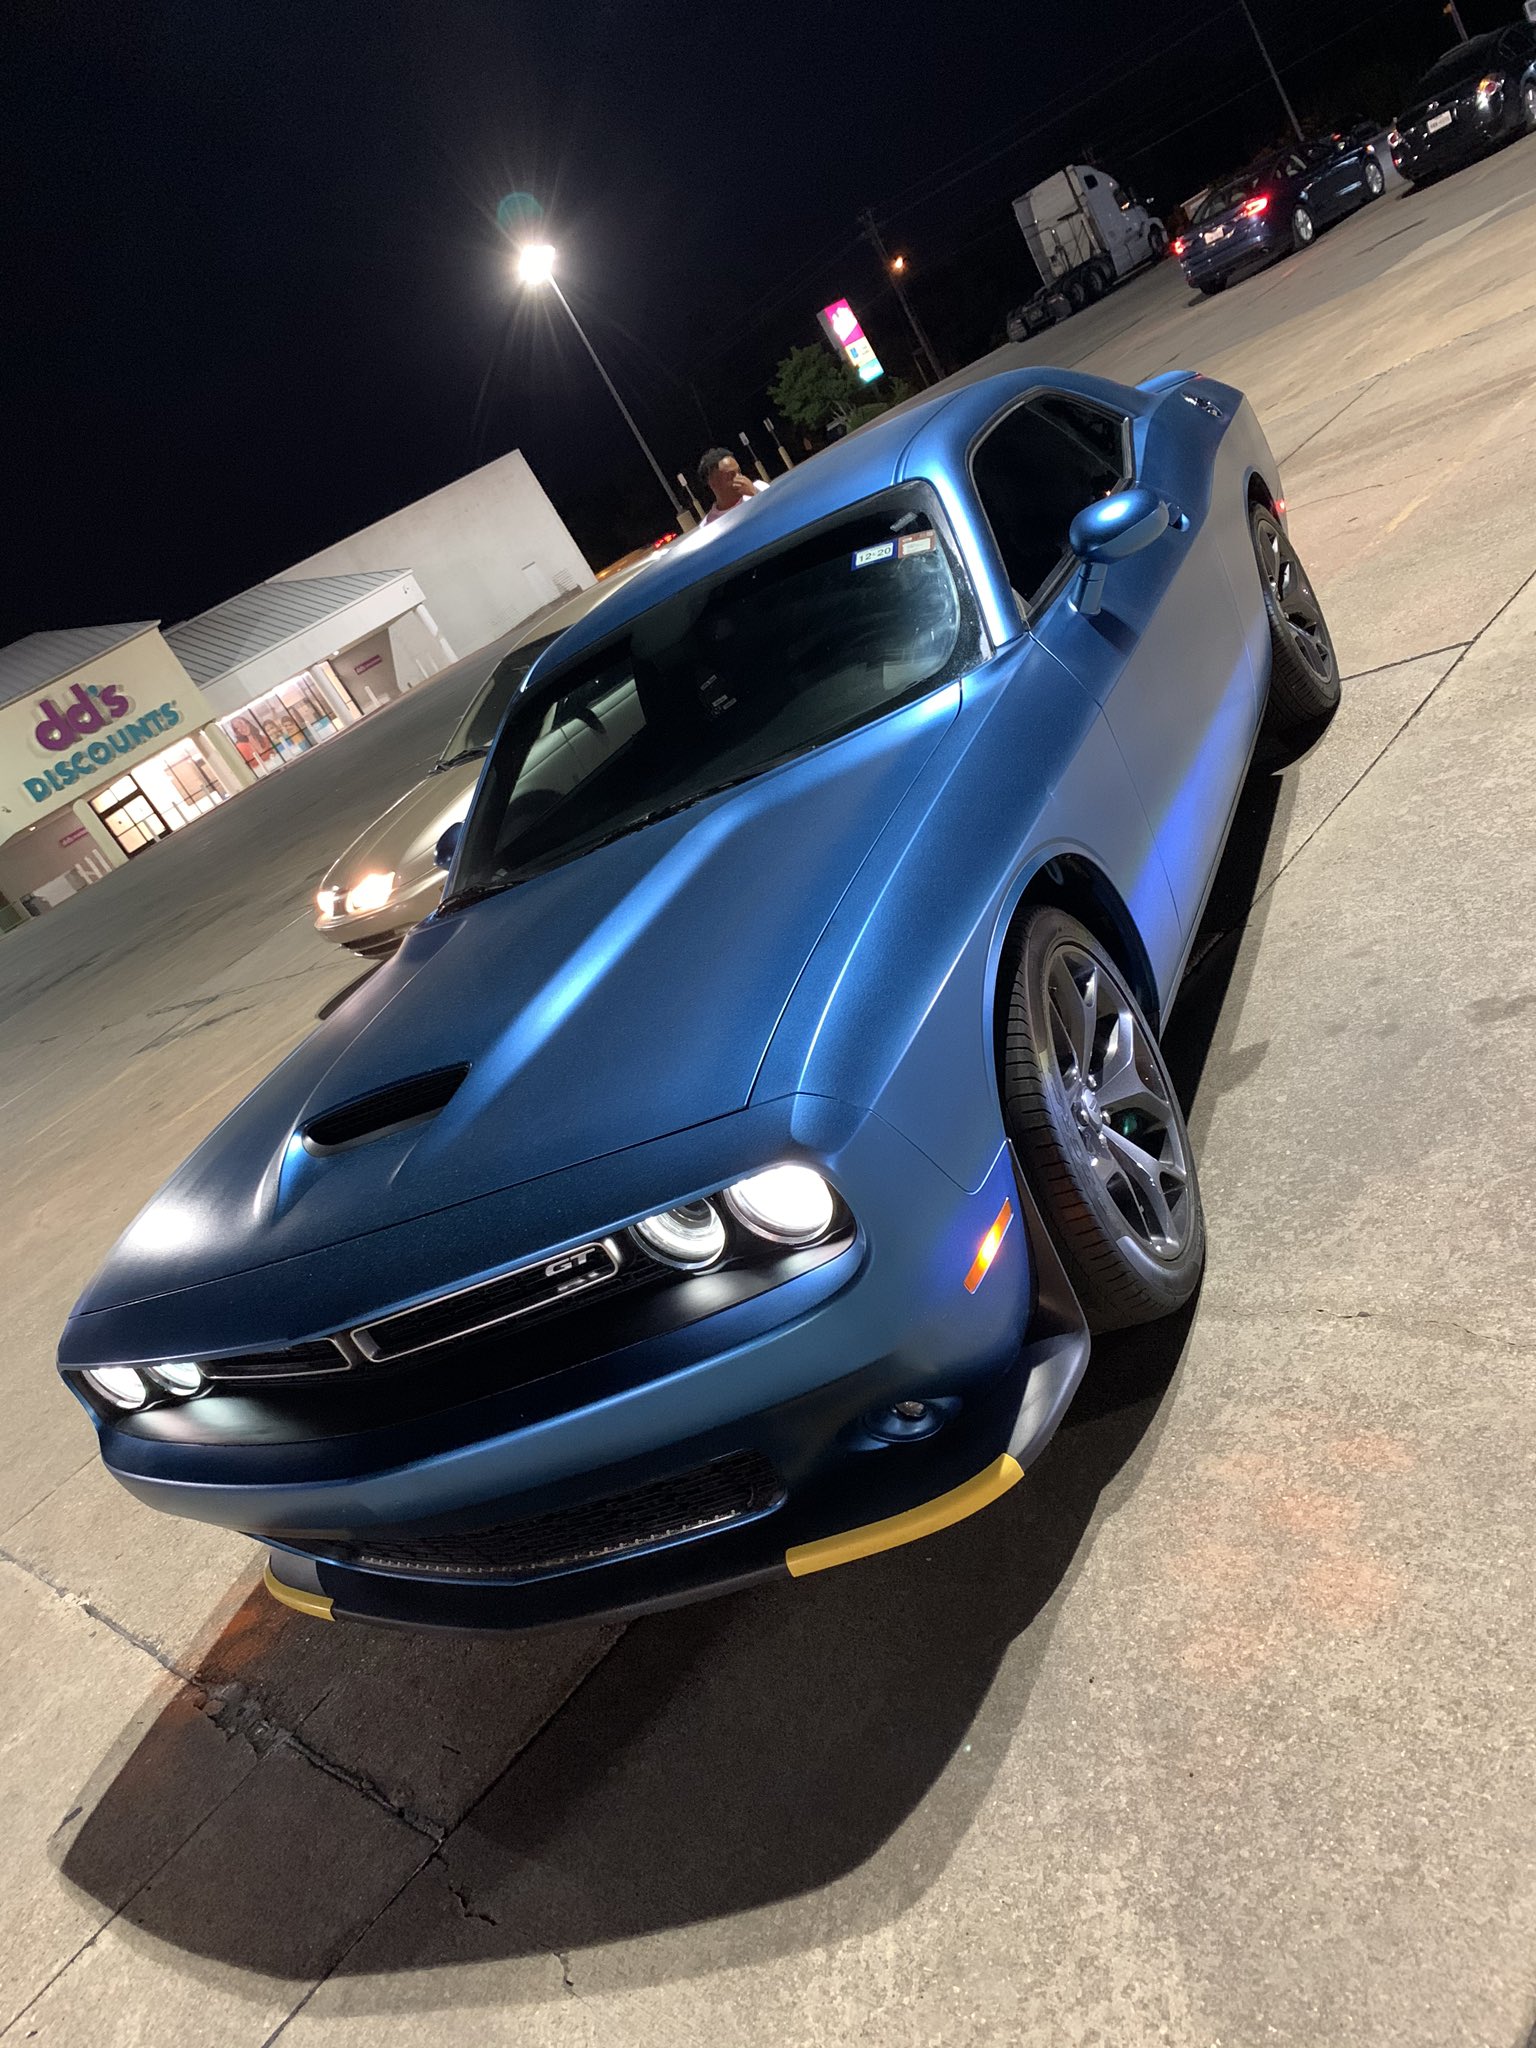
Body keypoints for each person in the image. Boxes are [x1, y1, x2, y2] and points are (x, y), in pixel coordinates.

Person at [698, 447, 768, 524]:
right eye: (730, 476)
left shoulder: (760, 488)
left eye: (739, 472)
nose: (739, 478)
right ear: (713, 483)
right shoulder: (710, 524)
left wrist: (755, 494)